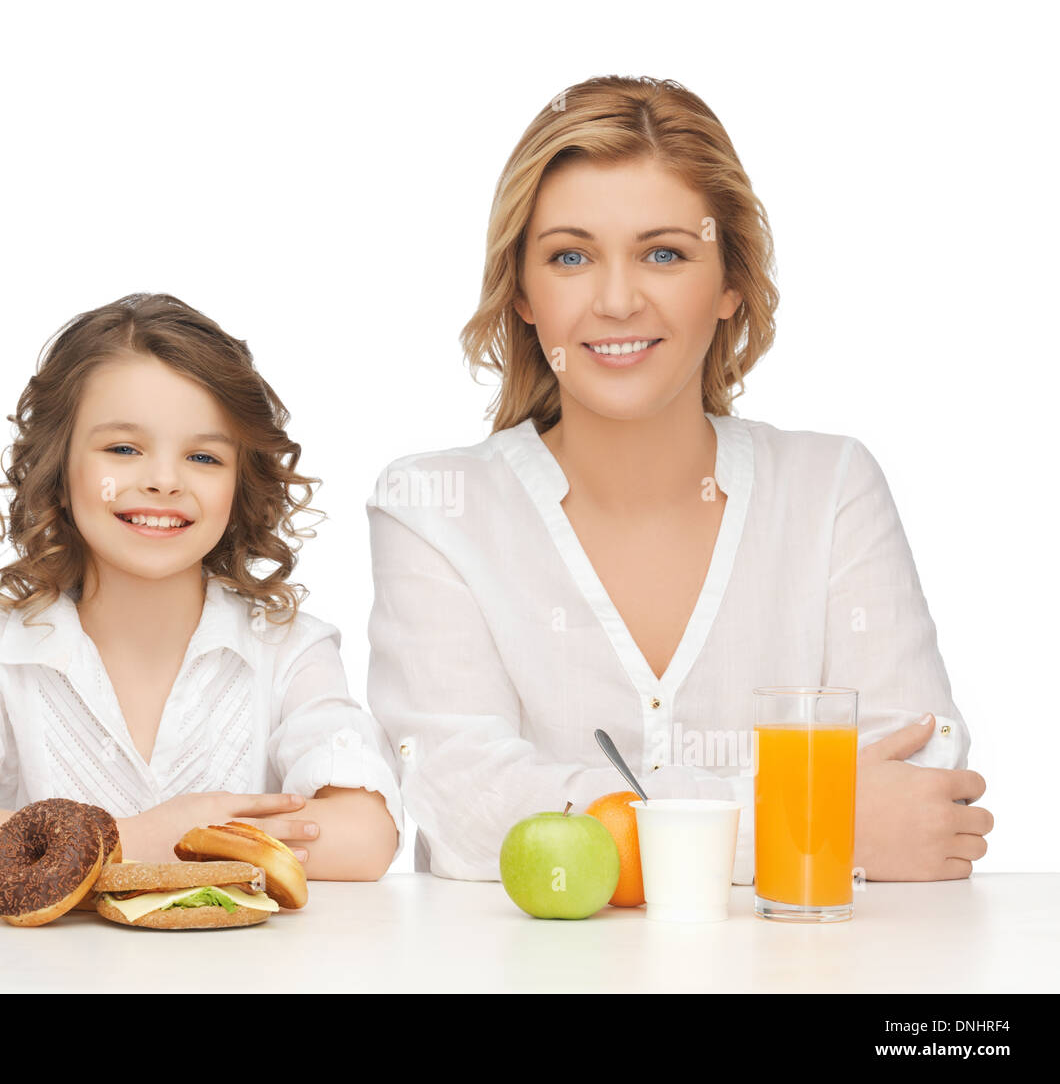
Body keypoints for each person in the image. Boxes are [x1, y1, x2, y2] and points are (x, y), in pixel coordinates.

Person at [365, 75, 992, 885]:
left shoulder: (830, 487)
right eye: (570, 256)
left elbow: (922, 773)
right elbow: (469, 810)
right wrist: (805, 827)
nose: (618, 299)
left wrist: (611, 825)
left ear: (731, 283)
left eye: (664, 253)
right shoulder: (434, 510)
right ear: (521, 292)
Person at [0, 293, 402, 882]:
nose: (163, 480)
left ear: (240, 484)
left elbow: (363, 837)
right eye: (123, 449)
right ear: (58, 472)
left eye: (204, 456)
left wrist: (165, 841)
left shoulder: (288, 649)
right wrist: (130, 839)